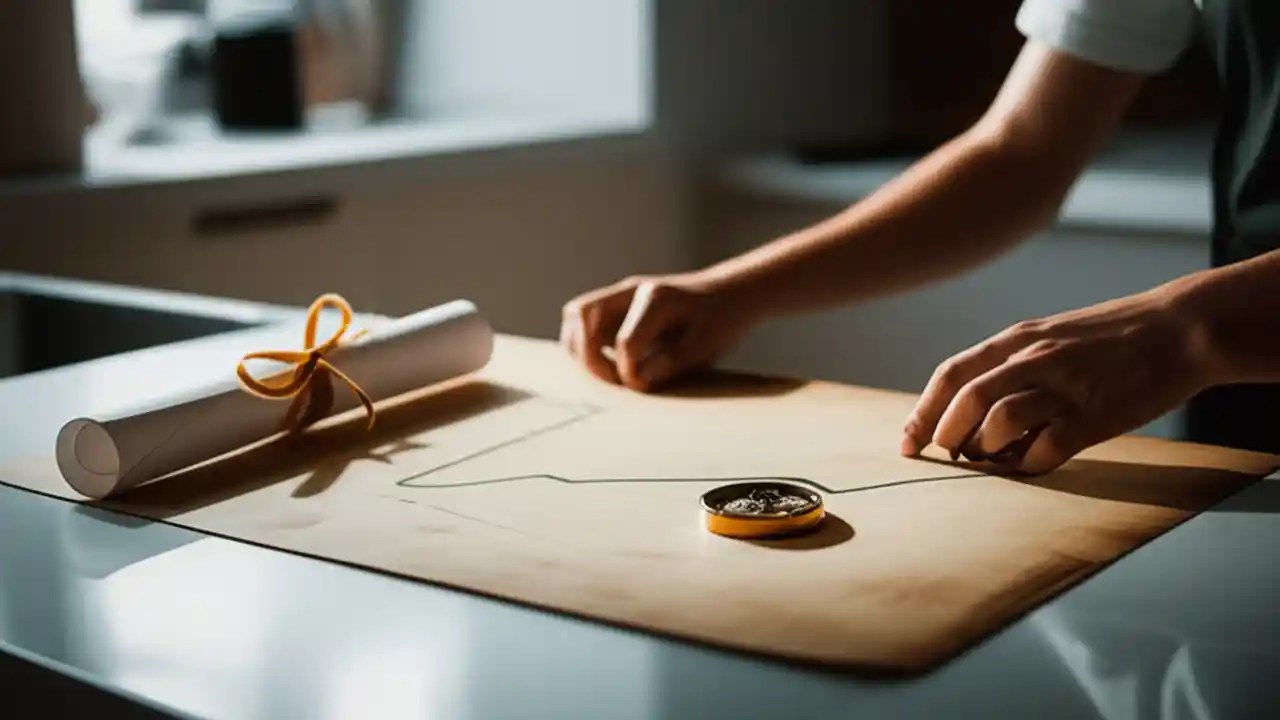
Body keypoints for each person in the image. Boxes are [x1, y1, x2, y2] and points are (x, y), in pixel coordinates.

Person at [560, 0, 1280, 473]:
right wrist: (731, 292)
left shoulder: (1192, 335)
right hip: (1244, 426)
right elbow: (1019, 153)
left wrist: (1187, 329)